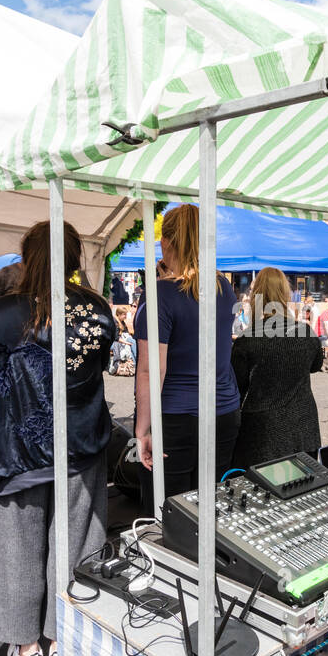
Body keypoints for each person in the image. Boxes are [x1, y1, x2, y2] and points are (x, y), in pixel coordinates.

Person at [0, 221, 115, 656]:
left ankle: (26, 645)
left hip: (17, 449)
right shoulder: (98, 311)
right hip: (80, 444)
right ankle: (62, 643)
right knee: (74, 545)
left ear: (28, 256)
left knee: (16, 546)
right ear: (75, 258)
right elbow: (98, 369)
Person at [134, 204, 240, 499]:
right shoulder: (223, 287)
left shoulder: (161, 295)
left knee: (167, 514)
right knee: (209, 508)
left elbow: (150, 370)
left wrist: (143, 429)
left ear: (165, 242)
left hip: (175, 417)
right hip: (223, 412)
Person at [230, 267, 323, 467]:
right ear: (285, 293)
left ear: (256, 295)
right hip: (304, 426)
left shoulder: (247, 340)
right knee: (303, 494)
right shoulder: (305, 333)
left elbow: (237, 387)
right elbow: (316, 365)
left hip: (262, 431)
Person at [109, 305, 137, 375]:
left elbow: (127, 333)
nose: (126, 316)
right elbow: (116, 338)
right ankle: (136, 364)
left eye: (126, 314)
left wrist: (128, 340)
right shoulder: (115, 322)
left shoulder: (122, 322)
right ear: (119, 314)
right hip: (113, 343)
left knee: (132, 342)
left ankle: (135, 364)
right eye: (124, 314)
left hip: (121, 341)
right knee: (131, 344)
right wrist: (127, 342)